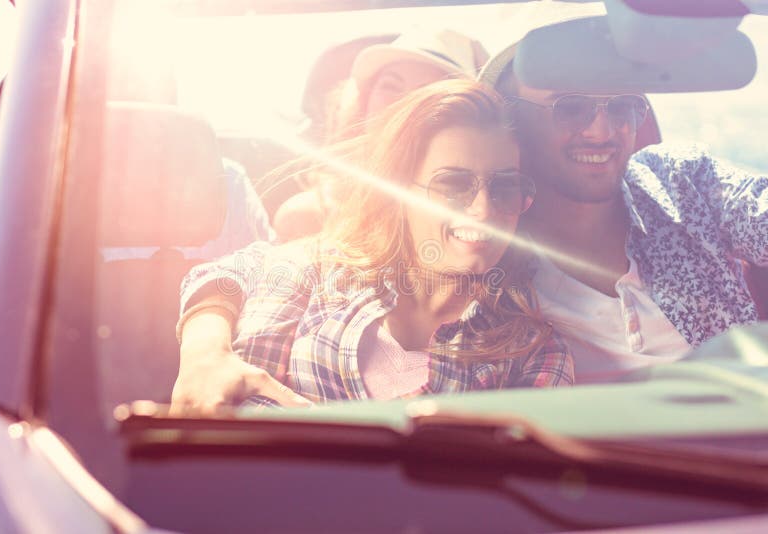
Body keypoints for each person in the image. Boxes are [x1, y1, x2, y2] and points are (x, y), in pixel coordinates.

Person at [171, 80, 574, 412]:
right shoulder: (319, 269)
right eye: (453, 184)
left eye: (505, 187)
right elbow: (227, 273)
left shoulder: (531, 351)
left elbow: (525, 473)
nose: (483, 210)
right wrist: (205, 354)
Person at [478, 47, 768, 384]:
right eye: (570, 108)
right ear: (512, 123)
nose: (602, 133)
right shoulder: (482, 249)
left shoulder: (681, 181)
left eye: (621, 106)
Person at [272, 28, 489, 242]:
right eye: (390, 86)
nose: (402, 103)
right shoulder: (310, 217)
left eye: (426, 94)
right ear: (363, 103)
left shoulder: (482, 220)